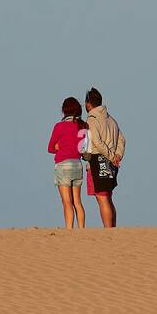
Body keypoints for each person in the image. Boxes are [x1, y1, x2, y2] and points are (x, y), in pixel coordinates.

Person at [81, 88, 125, 228]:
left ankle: (108, 230)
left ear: (88, 104)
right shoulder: (111, 119)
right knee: (108, 197)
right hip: (111, 163)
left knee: (102, 197)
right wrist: (117, 155)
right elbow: (122, 139)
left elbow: (96, 141)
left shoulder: (92, 119)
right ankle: (112, 227)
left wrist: (113, 156)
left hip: (97, 161)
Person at [47, 97, 88, 229]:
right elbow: (84, 149)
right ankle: (81, 229)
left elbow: (50, 148)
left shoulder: (59, 126)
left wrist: (60, 146)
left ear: (64, 111)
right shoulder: (82, 126)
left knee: (67, 202)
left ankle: (69, 230)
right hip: (77, 164)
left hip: (63, 165)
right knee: (77, 201)